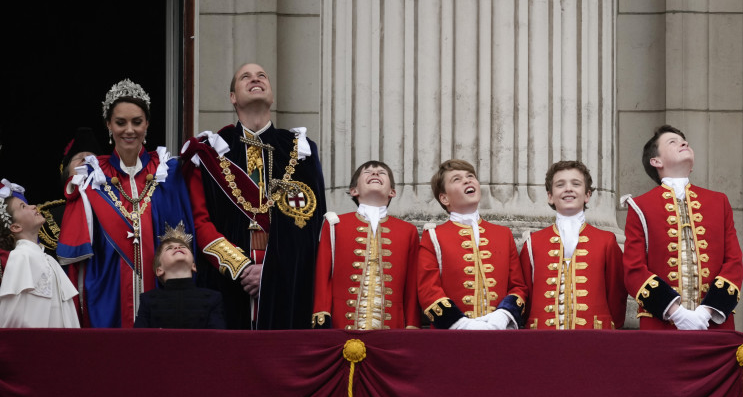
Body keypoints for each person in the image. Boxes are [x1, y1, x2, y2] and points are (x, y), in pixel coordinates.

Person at [182, 63, 326, 329]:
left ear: (271, 96)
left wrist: (272, 271)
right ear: (233, 97)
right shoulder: (210, 152)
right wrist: (241, 268)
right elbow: (199, 222)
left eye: (262, 76)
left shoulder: (301, 150)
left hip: (287, 285)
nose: (255, 79)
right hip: (226, 285)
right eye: (245, 76)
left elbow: (312, 226)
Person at [57, 80, 196, 328]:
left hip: (162, 293)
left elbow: (185, 235)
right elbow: (78, 254)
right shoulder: (91, 176)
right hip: (107, 293)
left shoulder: (168, 171)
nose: (129, 130)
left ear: (147, 124)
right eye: (120, 122)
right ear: (109, 125)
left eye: (137, 122)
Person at [621, 126, 743, 330]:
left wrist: (706, 311)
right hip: (661, 325)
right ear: (656, 161)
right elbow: (634, 270)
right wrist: (676, 313)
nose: (684, 143)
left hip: (712, 325)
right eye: (673, 142)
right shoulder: (640, 206)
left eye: (685, 141)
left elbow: (734, 262)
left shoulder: (719, 202)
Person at [417, 159, 526, 329]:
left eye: (470, 176)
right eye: (457, 179)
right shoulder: (433, 236)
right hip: (450, 337)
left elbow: (518, 286)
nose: (467, 180)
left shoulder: (503, 234)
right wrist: (461, 324)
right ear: (444, 198)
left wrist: (502, 316)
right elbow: (428, 290)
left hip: (500, 333)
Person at [312, 160, 420, 330]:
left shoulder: (408, 231)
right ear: (353, 190)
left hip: (393, 328)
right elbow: (323, 274)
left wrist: (412, 324)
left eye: (382, 173)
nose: (375, 173)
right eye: (368, 172)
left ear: (392, 192)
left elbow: (412, 284)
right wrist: (321, 314)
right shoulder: (335, 225)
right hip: (342, 325)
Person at [522, 161, 625, 329]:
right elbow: (527, 294)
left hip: (595, 336)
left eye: (576, 184)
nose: (568, 189)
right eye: (560, 185)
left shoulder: (606, 240)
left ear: (587, 195)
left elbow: (616, 295)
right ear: (550, 196)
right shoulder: (532, 242)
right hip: (542, 336)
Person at [0, 179, 80, 328]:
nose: (33, 206)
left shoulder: (50, 260)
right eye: (23, 206)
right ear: (16, 227)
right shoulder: (20, 257)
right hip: (34, 347)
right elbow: (9, 317)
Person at [133, 223, 225, 329]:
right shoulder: (148, 300)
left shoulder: (212, 298)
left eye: (183, 247)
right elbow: (139, 339)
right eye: (169, 248)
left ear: (194, 266)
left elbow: (219, 340)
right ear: (159, 270)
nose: (177, 247)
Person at [37, 127, 103, 255]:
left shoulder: (118, 205)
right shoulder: (48, 216)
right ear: (66, 173)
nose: (85, 160)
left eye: (91, 158)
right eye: (78, 158)